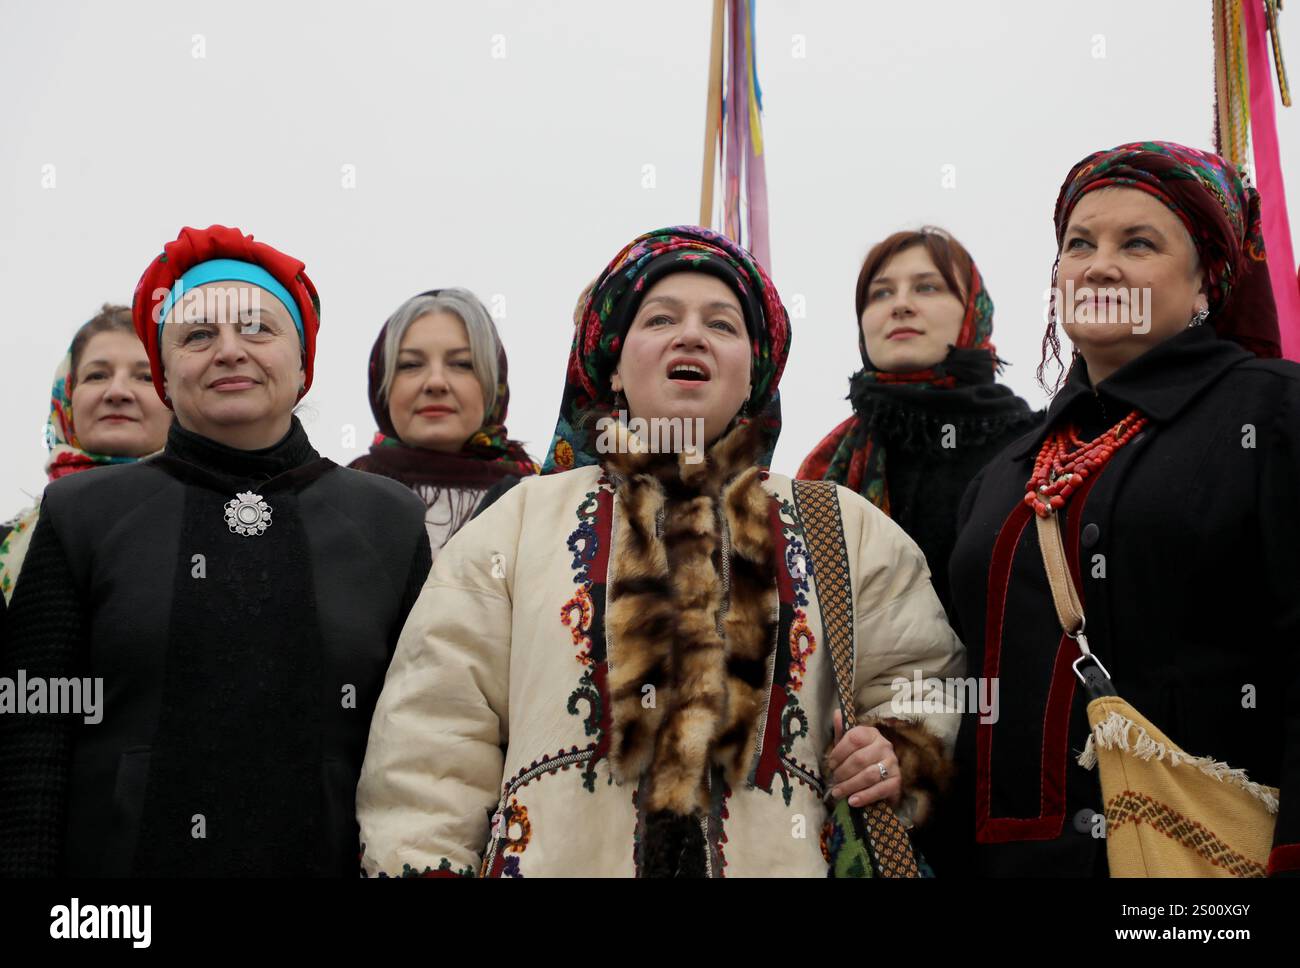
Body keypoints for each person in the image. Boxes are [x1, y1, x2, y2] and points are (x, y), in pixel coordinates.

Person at [356, 225, 964, 877]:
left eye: (722, 325)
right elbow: (430, 743)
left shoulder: (844, 528)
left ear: (755, 372)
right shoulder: (517, 523)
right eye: (661, 318)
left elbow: (926, 677)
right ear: (613, 365)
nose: (691, 335)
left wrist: (897, 750)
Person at [0, 225, 431, 877]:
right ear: (165, 372)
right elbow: (33, 734)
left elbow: (426, 739)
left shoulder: (387, 521)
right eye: (198, 335)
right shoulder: (83, 514)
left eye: (257, 329)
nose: (229, 351)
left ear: (304, 362)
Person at [948, 141, 1300, 877]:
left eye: (1138, 243)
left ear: (1208, 278)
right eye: (1079, 244)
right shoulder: (1003, 473)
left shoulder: (1272, 411)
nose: (1098, 265)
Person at [797, 228, 1039, 619]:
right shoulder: (831, 465)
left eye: (927, 288)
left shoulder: (1031, 449)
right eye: (881, 293)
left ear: (973, 312)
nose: (901, 305)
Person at [0, 305, 171, 608]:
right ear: (67, 397)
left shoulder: (210, 524)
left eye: (145, 377)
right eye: (96, 375)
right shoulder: (10, 540)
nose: (117, 391)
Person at [349, 288, 536, 557]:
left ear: (493, 386)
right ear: (382, 386)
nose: (436, 382)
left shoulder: (536, 502)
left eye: (461, 364)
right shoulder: (340, 499)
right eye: (411, 365)